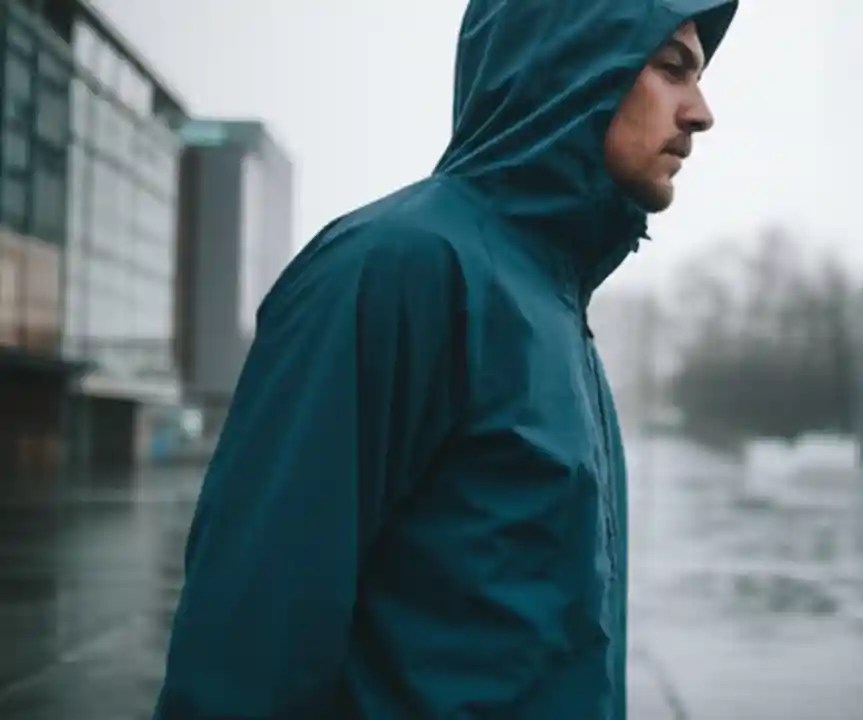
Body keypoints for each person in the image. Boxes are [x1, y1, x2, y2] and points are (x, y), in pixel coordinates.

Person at [152, 1, 737, 717]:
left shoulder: (557, 313)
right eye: (673, 69)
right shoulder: (397, 268)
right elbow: (249, 642)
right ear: (575, 66)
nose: (700, 112)